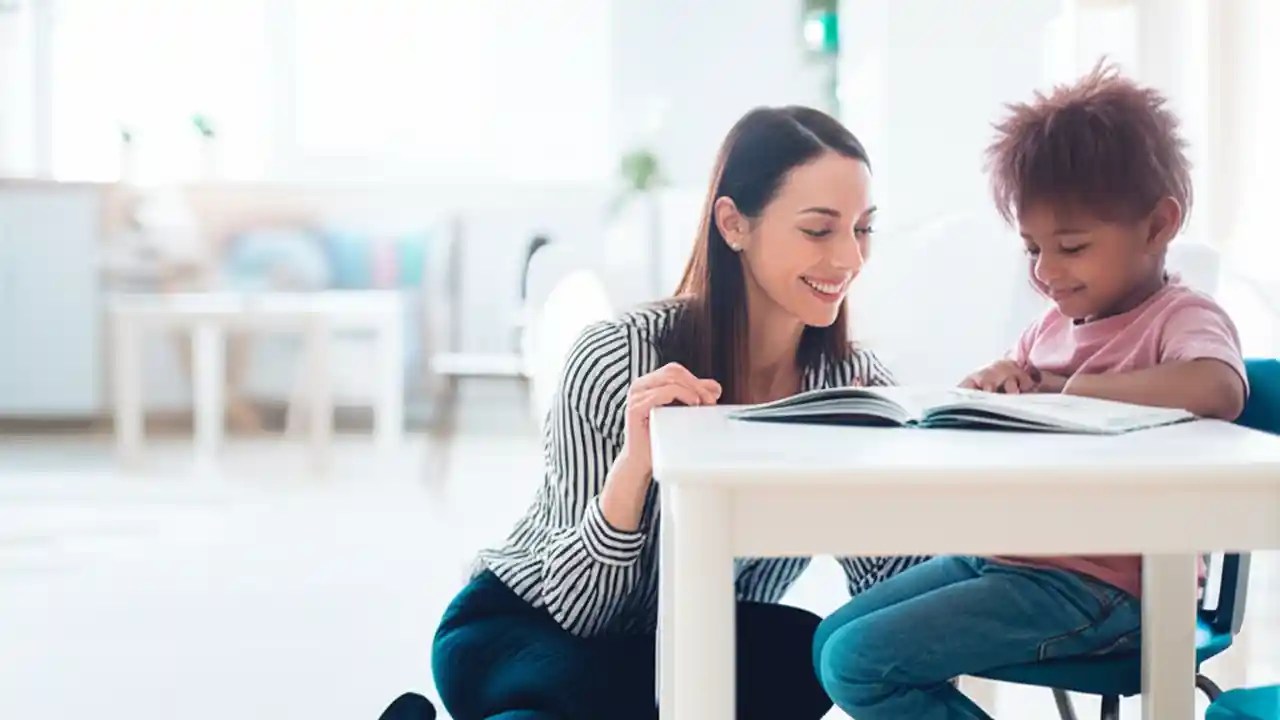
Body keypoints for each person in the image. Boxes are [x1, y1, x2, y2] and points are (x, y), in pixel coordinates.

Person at [420, 105, 928, 720]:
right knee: (575, 692)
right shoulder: (618, 356)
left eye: (863, 229)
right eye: (819, 231)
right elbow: (584, 612)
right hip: (534, 624)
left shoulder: (850, 386)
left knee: (806, 652)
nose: (849, 259)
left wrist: (902, 468)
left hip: (685, 640)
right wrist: (635, 468)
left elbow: (889, 602)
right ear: (733, 224)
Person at [812, 62, 1250, 720]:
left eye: (1071, 246)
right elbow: (1016, 414)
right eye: (1032, 249)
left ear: (1159, 226)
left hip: (1110, 583)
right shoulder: (1049, 328)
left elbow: (1218, 386)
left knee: (860, 662)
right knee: (830, 641)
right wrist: (994, 390)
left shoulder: (1180, 318)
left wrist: (1077, 389)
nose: (1046, 271)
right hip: (1010, 557)